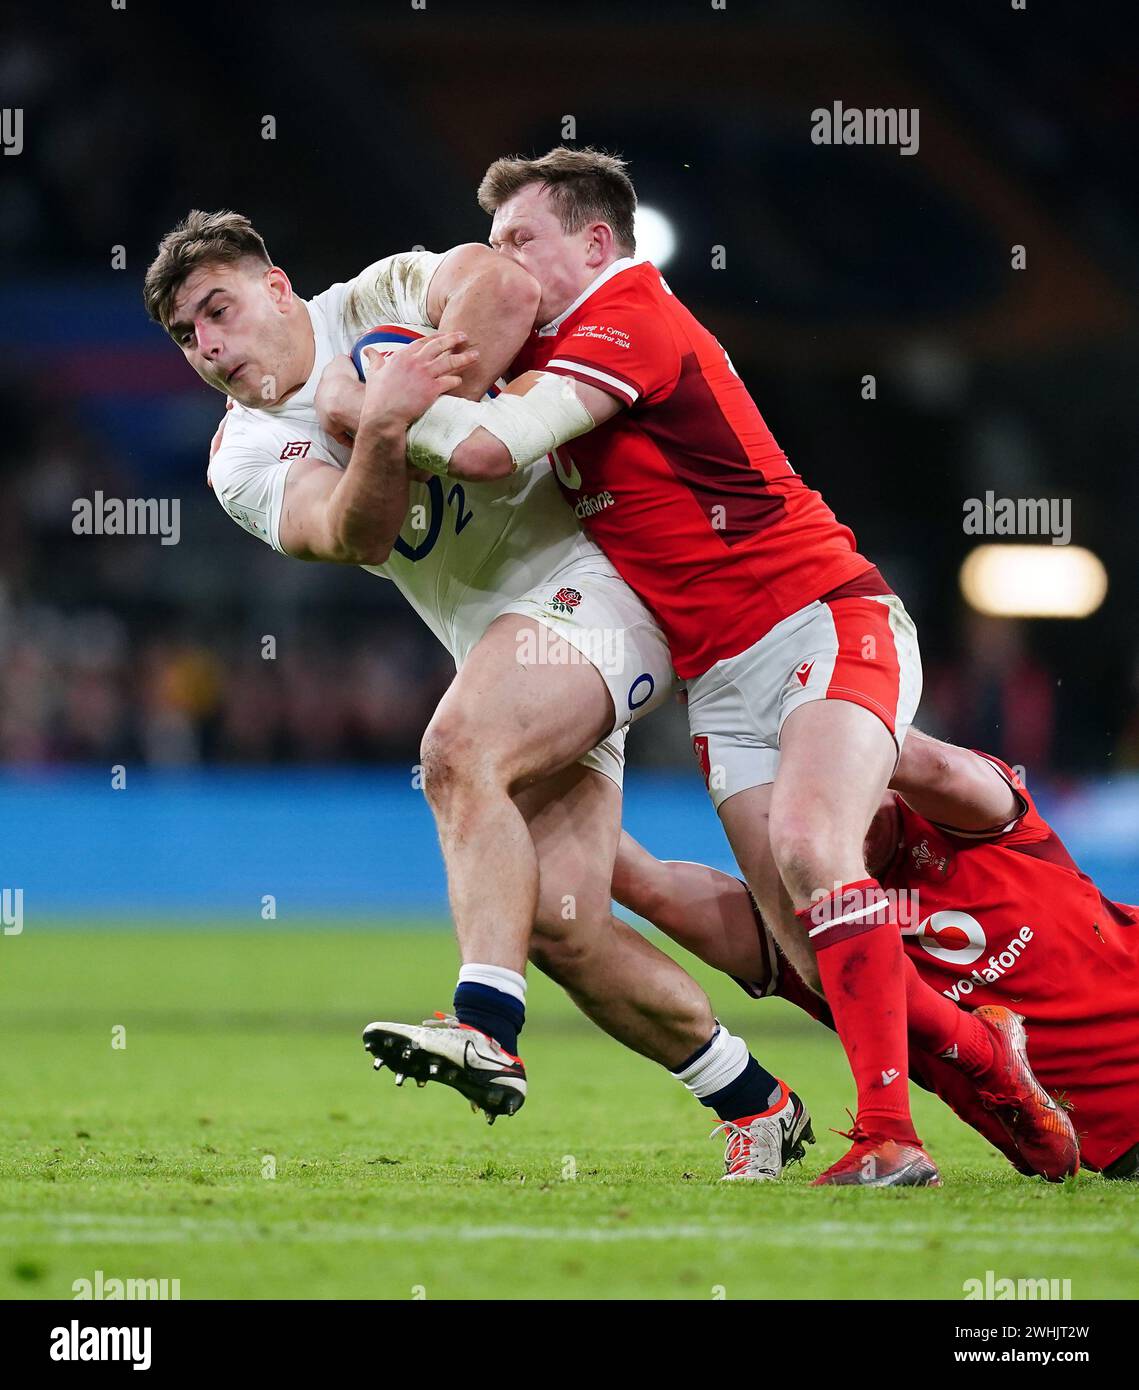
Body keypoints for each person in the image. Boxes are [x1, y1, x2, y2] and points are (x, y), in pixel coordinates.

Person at [142, 210, 813, 1181]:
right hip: (516, 644)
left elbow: (503, 286)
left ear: (276, 286)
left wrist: (424, 379)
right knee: (563, 921)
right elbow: (352, 532)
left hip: (606, 576)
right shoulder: (238, 458)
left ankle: (484, 1023)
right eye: (185, 335)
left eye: (217, 309)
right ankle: (762, 1094)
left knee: (456, 754)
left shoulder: (372, 299)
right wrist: (378, 419)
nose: (208, 346)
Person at [616, 731, 1128, 1181]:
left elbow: (937, 765)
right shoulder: (805, 941)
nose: (828, 815)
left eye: (832, 783)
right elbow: (646, 884)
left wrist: (804, 700)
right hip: (1123, 1141)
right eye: (796, 804)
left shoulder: (975, 817)